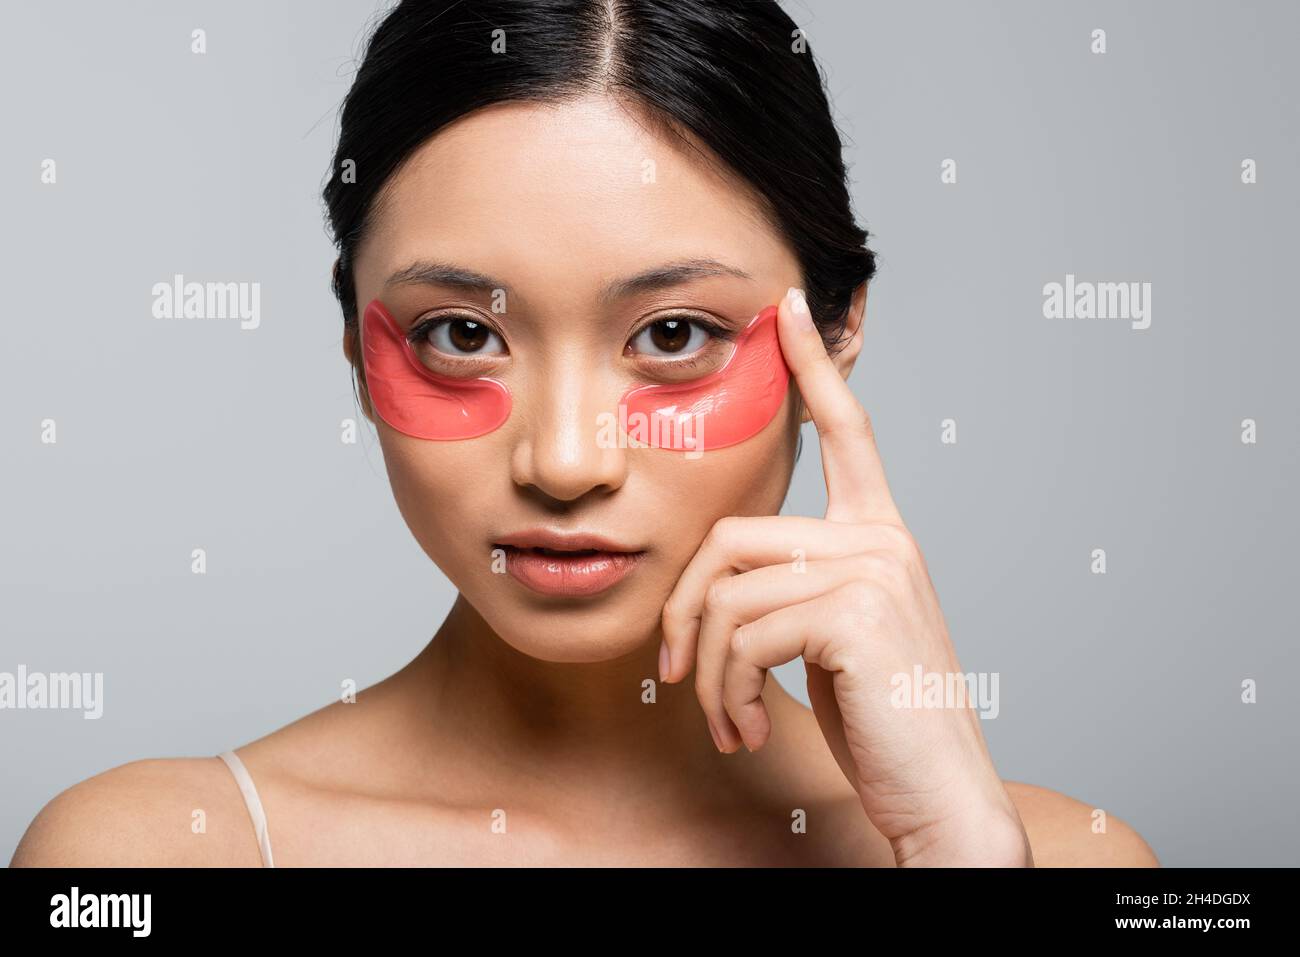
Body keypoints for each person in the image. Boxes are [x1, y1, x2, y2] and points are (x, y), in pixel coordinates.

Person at [12, 0, 1158, 867]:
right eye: (462, 333)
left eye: (671, 335)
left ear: (838, 330)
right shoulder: (158, 853)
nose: (564, 462)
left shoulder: (1066, 860)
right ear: (357, 342)